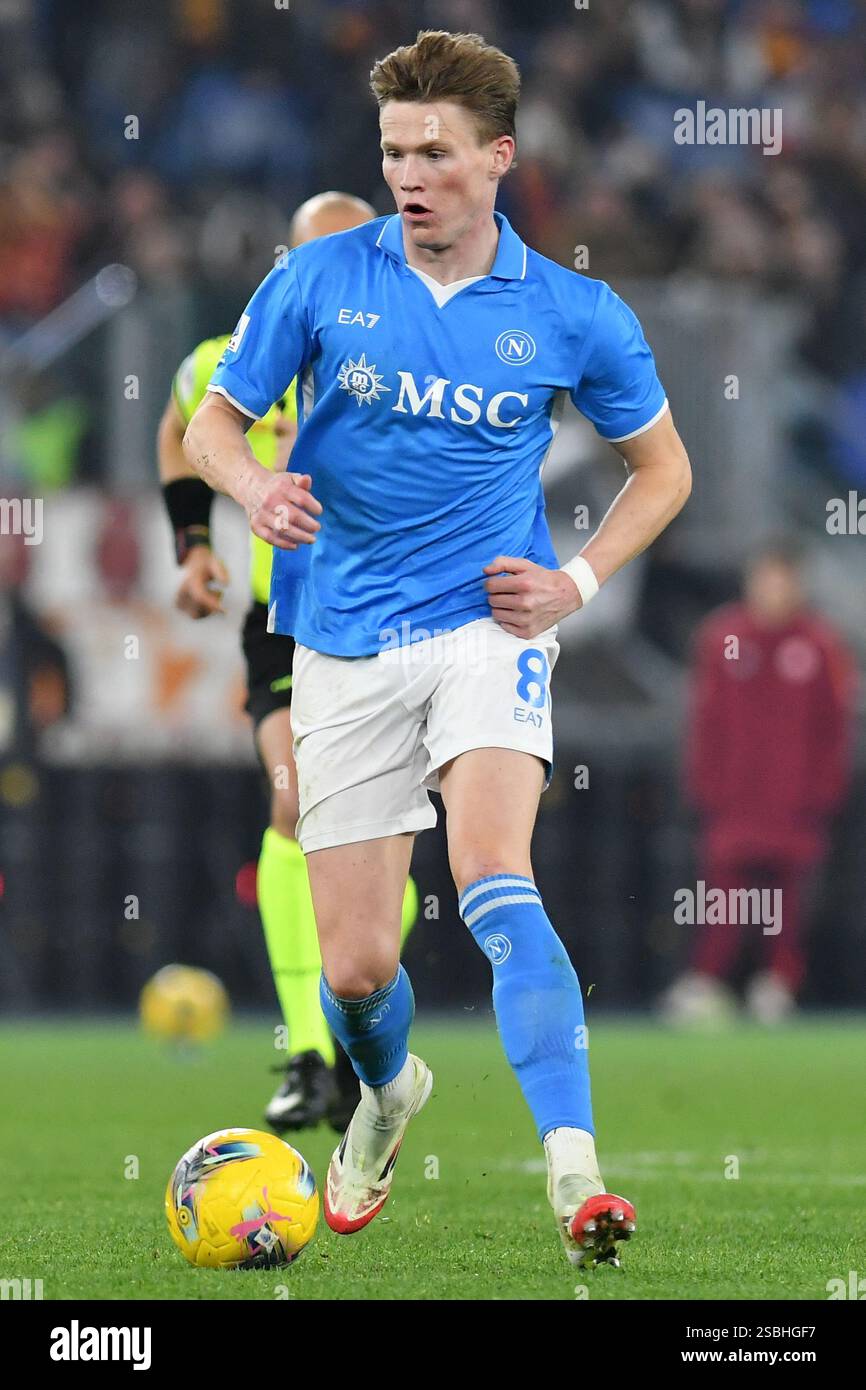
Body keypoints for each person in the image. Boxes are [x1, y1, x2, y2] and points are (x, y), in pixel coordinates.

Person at [183, 31, 691, 1268]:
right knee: (357, 970)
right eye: (393, 151)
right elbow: (211, 423)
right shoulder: (316, 280)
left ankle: (577, 1181)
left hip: (484, 628)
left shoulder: (575, 311)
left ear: (497, 158)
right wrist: (253, 491)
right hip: (344, 641)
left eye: (434, 152)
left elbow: (663, 471)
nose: (409, 174)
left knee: (490, 874)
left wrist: (570, 581)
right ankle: (386, 1088)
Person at [158, 192, 419, 1133]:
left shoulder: (408, 352)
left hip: (398, 613)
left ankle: (358, 1032)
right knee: (291, 798)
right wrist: (193, 543)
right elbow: (184, 424)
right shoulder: (240, 357)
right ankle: (312, 1052)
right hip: (286, 617)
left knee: (382, 832)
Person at [665, 539, 855, 1025]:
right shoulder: (722, 638)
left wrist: (822, 792)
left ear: (796, 585)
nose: (771, 590)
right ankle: (707, 980)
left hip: (793, 803)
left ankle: (777, 984)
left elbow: (835, 726)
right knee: (723, 894)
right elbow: (704, 720)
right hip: (735, 801)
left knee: (789, 899)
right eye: (764, 578)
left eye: (781, 580)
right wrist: (705, 786)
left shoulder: (820, 644)